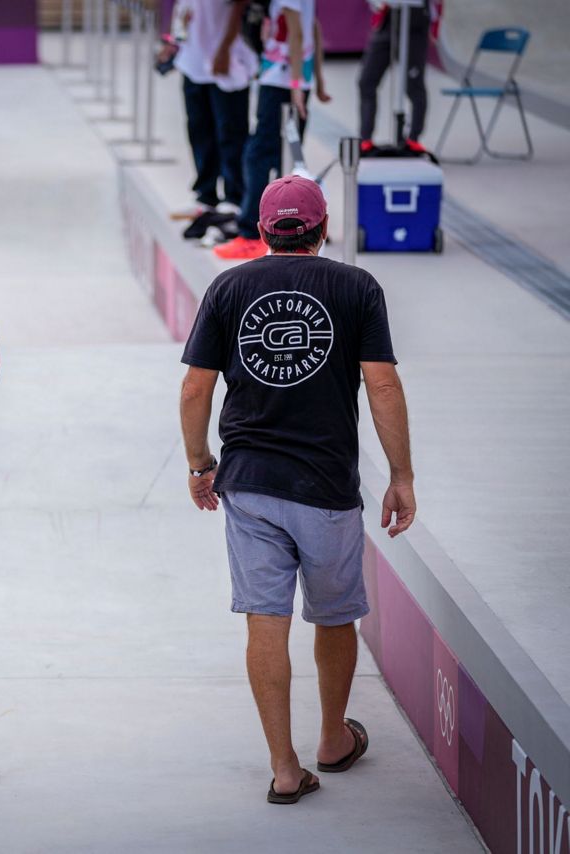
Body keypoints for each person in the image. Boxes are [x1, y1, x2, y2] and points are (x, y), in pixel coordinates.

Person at [178, 176, 416, 804]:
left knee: (266, 620)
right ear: (323, 228)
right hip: (326, 488)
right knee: (334, 617)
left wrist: (200, 464)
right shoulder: (357, 288)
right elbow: (382, 384)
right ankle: (333, 741)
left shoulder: (229, 287)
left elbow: (196, 387)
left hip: (250, 483)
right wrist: (401, 477)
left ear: (262, 230)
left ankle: (285, 769)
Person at [215, 0, 330, 261]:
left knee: (260, 154)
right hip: (286, 78)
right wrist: (316, 79)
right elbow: (312, 27)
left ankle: (252, 234)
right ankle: (286, 234)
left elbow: (298, 32)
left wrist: (297, 85)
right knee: (281, 157)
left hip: (282, 82)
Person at [169, 0, 255, 241]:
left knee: (230, 132)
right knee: (199, 130)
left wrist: (225, 49)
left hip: (225, 59)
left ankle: (234, 196)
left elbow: (240, 5)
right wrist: (174, 43)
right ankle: (206, 194)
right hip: (192, 59)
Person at [357, 1, 442, 154]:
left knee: (414, 86)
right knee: (367, 81)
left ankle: (413, 139)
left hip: (414, 19)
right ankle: (366, 140)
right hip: (389, 16)